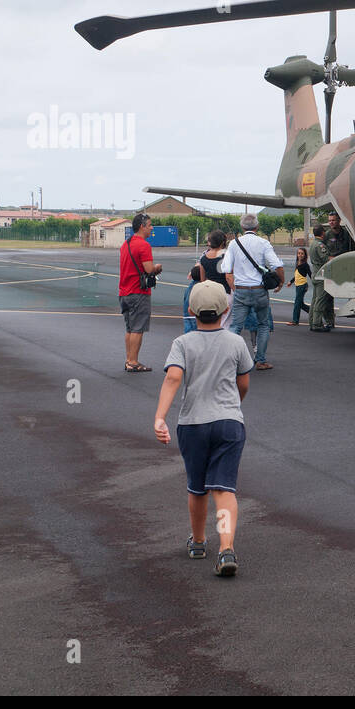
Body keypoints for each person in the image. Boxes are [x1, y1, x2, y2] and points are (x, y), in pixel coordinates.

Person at [153, 281, 253, 577]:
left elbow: (173, 378)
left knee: (197, 488)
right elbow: (243, 382)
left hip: (193, 424)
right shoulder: (236, 342)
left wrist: (160, 417)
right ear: (226, 309)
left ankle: (198, 542)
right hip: (228, 423)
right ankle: (226, 549)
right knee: (223, 488)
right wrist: (234, 406)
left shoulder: (182, 344)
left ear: (190, 310)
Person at [220, 214, 284, 371]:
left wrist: (236, 287)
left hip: (241, 290)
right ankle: (260, 360)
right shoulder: (263, 243)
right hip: (259, 290)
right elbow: (277, 266)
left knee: (236, 326)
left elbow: (226, 269)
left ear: (242, 227)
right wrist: (280, 282)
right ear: (257, 226)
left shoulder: (234, 244)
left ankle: (231, 360)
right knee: (263, 324)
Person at [119, 212, 163, 372]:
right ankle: (133, 362)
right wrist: (157, 268)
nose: (151, 228)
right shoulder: (143, 245)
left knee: (130, 328)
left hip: (124, 292)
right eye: (150, 225)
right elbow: (149, 269)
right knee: (138, 328)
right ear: (142, 226)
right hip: (138, 292)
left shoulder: (126, 244)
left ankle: (129, 359)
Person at [197, 229, 231, 326]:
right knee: (227, 323)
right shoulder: (226, 256)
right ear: (222, 243)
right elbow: (229, 276)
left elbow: (202, 280)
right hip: (225, 292)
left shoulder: (204, 258)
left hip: (210, 293)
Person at [308, 224, 333, 331]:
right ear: (322, 233)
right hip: (321, 276)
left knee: (315, 300)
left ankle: (312, 321)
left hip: (315, 274)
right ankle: (317, 324)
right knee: (320, 301)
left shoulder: (313, 244)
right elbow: (326, 259)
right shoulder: (320, 245)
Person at [290, 246, 311, 325]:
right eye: (299, 253)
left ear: (305, 255)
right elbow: (297, 275)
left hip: (302, 286)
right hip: (298, 285)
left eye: (302, 253)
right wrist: (291, 281)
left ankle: (295, 321)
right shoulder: (298, 263)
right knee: (300, 304)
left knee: (297, 304)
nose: (300, 255)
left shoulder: (305, 265)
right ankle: (314, 313)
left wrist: (315, 282)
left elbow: (310, 274)